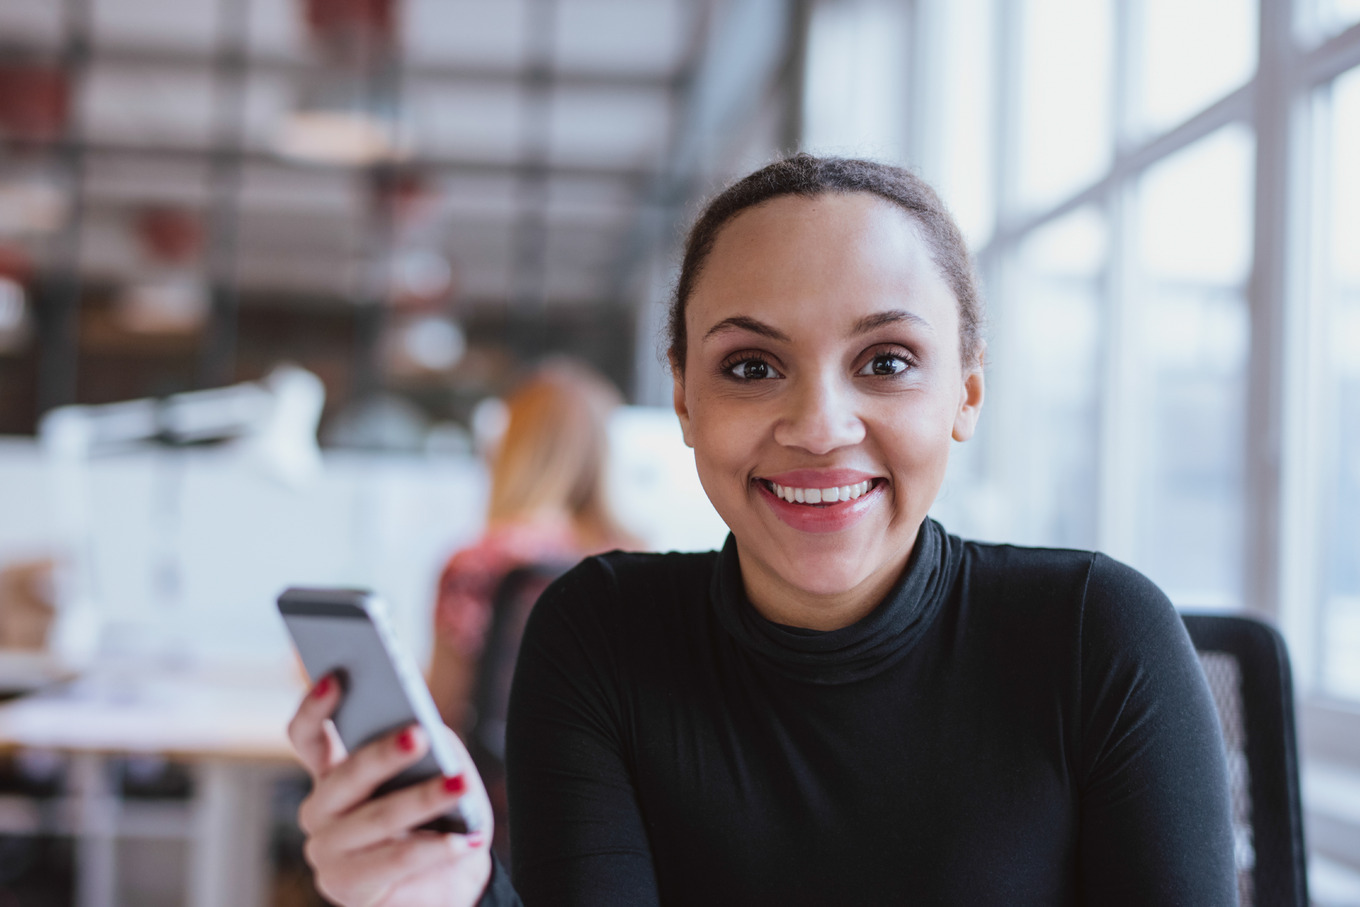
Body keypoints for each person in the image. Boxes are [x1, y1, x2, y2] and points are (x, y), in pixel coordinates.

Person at [287, 154, 1238, 906]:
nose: (820, 425)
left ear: (967, 393)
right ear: (683, 400)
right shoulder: (600, 637)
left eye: (888, 359)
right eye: (750, 367)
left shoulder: (1095, 635)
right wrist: (454, 896)